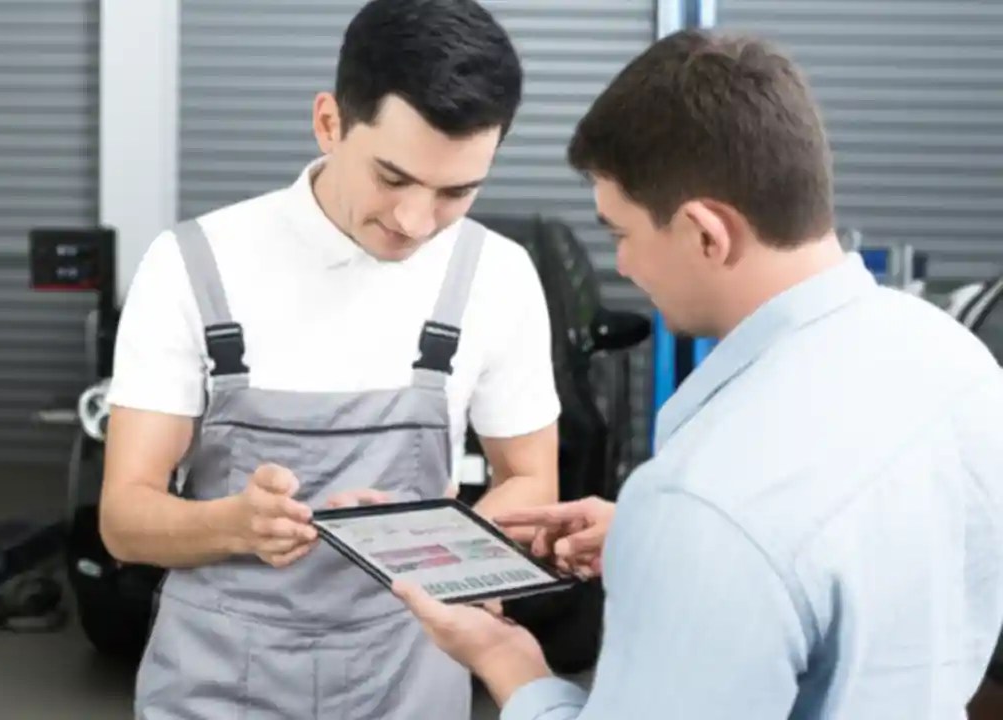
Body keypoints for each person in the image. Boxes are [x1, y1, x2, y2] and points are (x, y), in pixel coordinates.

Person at [393, 28, 1003, 719]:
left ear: (707, 232)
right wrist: (649, 542)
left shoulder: (707, 500)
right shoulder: (955, 362)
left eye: (621, 233)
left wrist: (506, 661)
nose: (621, 265)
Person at [99, 1, 562, 717]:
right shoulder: (194, 264)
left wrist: (431, 543)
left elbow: (531, 478)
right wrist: (233, 525)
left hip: (411, 678)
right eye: (393, 177)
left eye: (456, 192)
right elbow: (124, 519)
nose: (415, 222)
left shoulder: (497, 276)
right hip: (216, 685)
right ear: (329, 123)